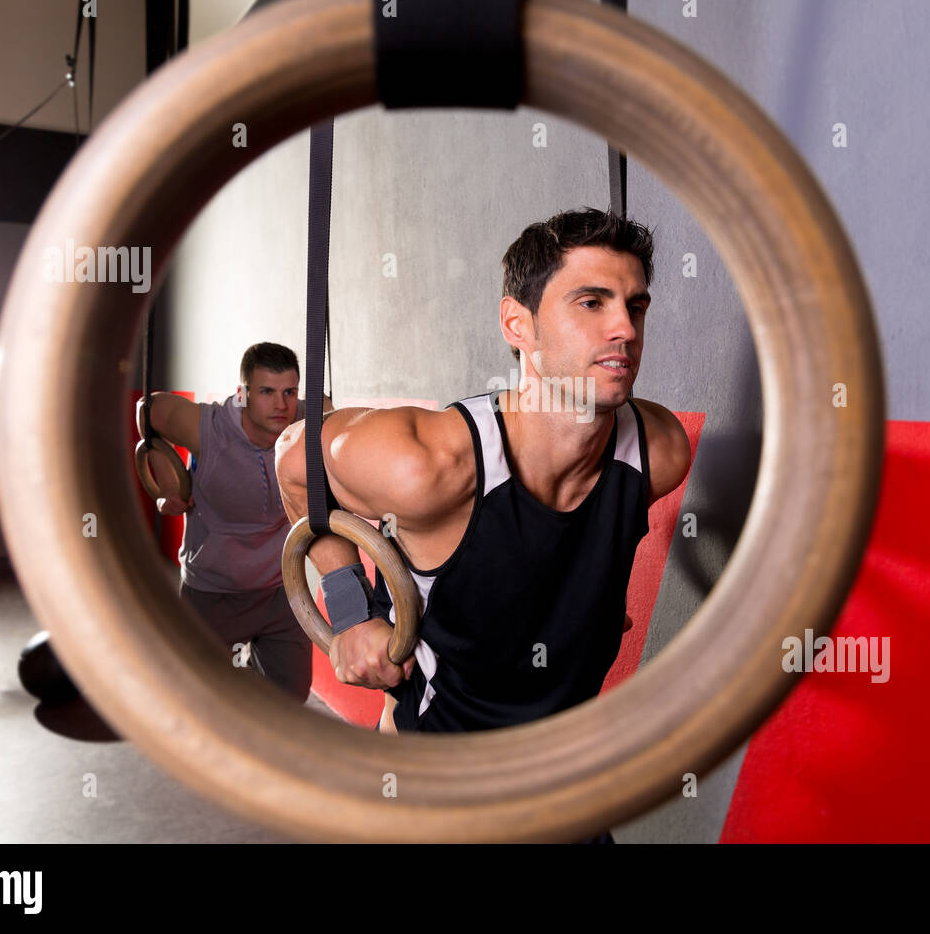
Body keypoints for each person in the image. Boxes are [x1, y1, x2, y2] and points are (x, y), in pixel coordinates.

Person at [274, 208, 691, 737]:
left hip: (561, 775)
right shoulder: (429, 466)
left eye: (636, 306)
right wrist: (351, 609)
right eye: (591, 303)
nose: (625, 329)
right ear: (519, 324)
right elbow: (295, 454)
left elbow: (543, 556)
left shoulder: (658, 452)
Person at [139, 342, 319, 704]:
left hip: (279, 590)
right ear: (243, 394)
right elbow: (148, 410)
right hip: (213, 594)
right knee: (203, 701)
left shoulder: (309, 417)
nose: (281, 405)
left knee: (292, 696)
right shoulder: (208, 428)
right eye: (266, 392)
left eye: (289, 392)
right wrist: (168, 481)